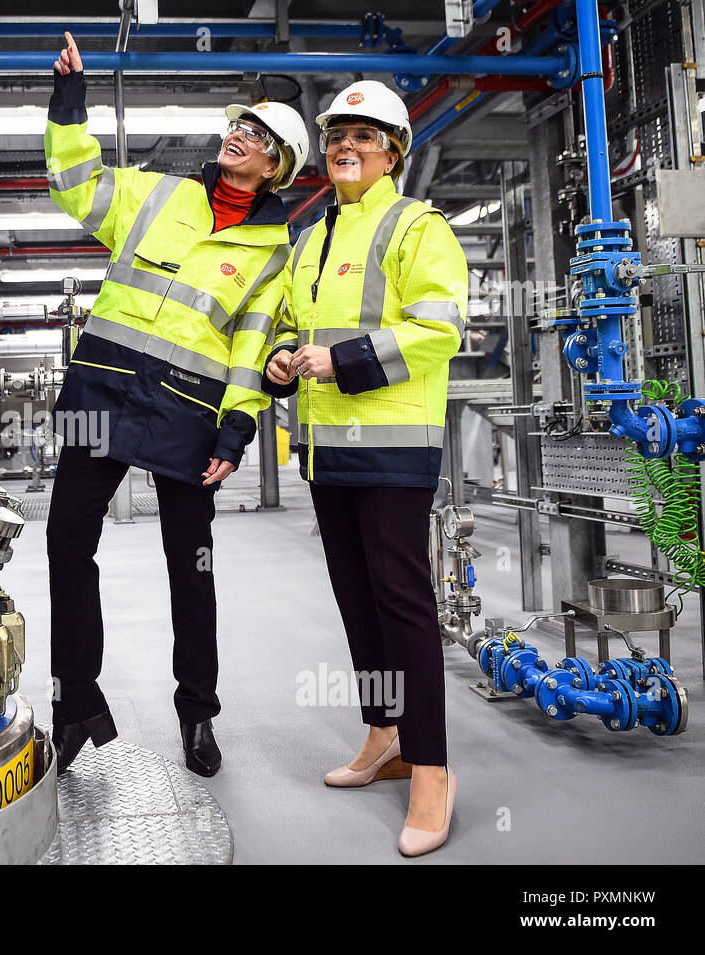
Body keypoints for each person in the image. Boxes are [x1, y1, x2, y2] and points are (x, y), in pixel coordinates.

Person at [45, 32, 308, 777]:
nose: (237, 135)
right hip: (103, 390)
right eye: (236, 125)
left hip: (188, 416)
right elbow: (74, 183)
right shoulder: (158, 194)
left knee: (190, 566)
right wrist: (70, 99)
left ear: (275, 165)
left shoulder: (274, 253)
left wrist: (237, 426)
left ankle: (198, 713)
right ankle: (76, 706)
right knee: (67, 541)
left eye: (254, 134)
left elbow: (257, 344)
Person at [263, 80, 468, 855]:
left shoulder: (419, 226)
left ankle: (432, 767)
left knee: (404, 604)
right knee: (358, 601)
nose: (344, 145)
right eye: (336, 134)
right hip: (325, 448)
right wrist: (285, 355)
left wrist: (338, 358)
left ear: (393, 151)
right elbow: (289, 319)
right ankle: (384, 735)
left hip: (392, 446)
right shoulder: (311, 235)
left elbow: (441, 328)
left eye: (363, 134)